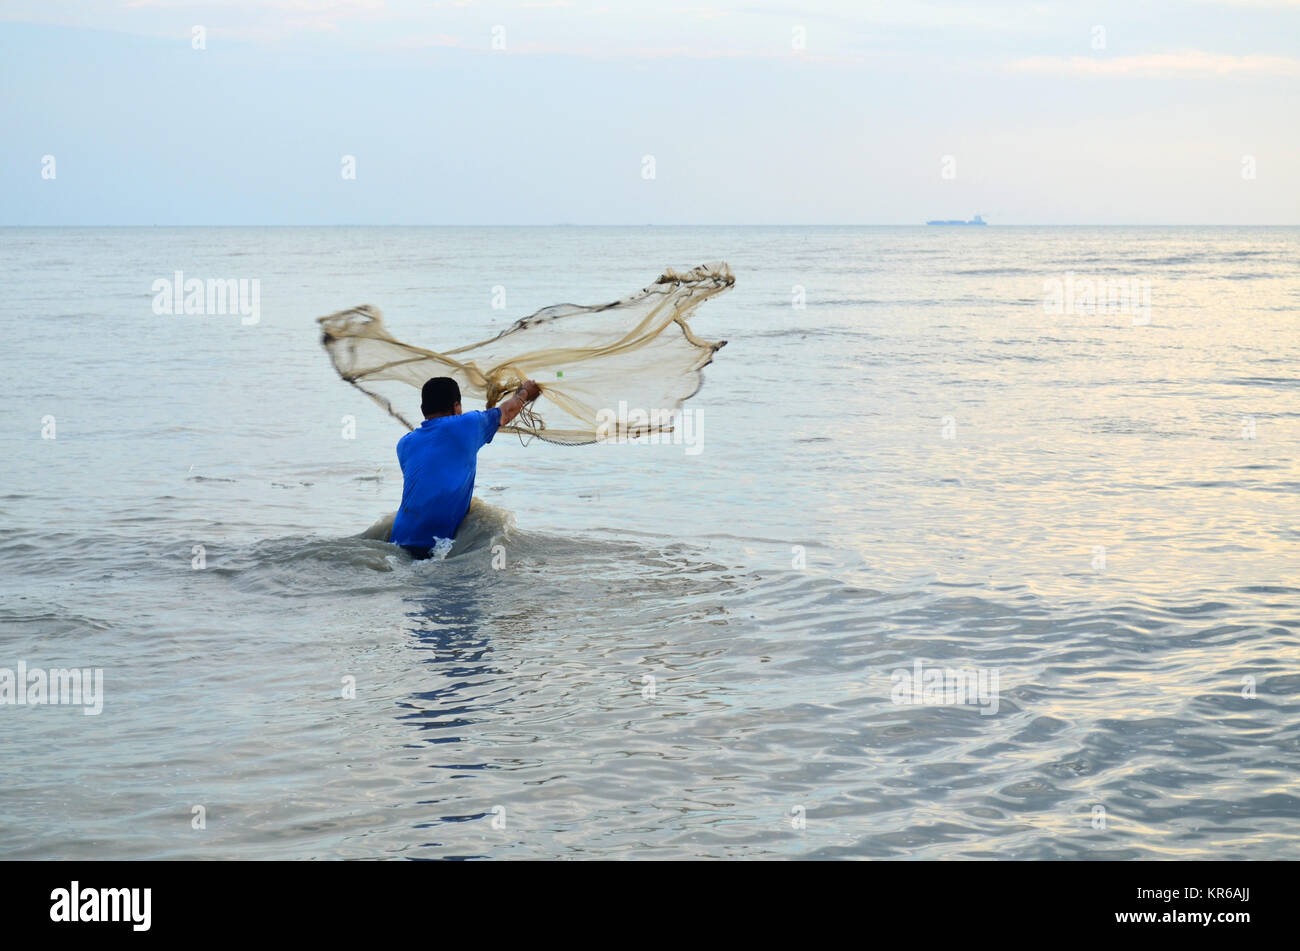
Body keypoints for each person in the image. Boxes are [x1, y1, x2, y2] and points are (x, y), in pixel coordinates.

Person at [391, 376, 541, 558]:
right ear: (456, 407)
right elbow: (507, 412)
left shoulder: (405, 443)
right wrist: (525, 392)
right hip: (435, 542)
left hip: (399, 539)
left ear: (423, 410)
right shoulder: (468, 424)